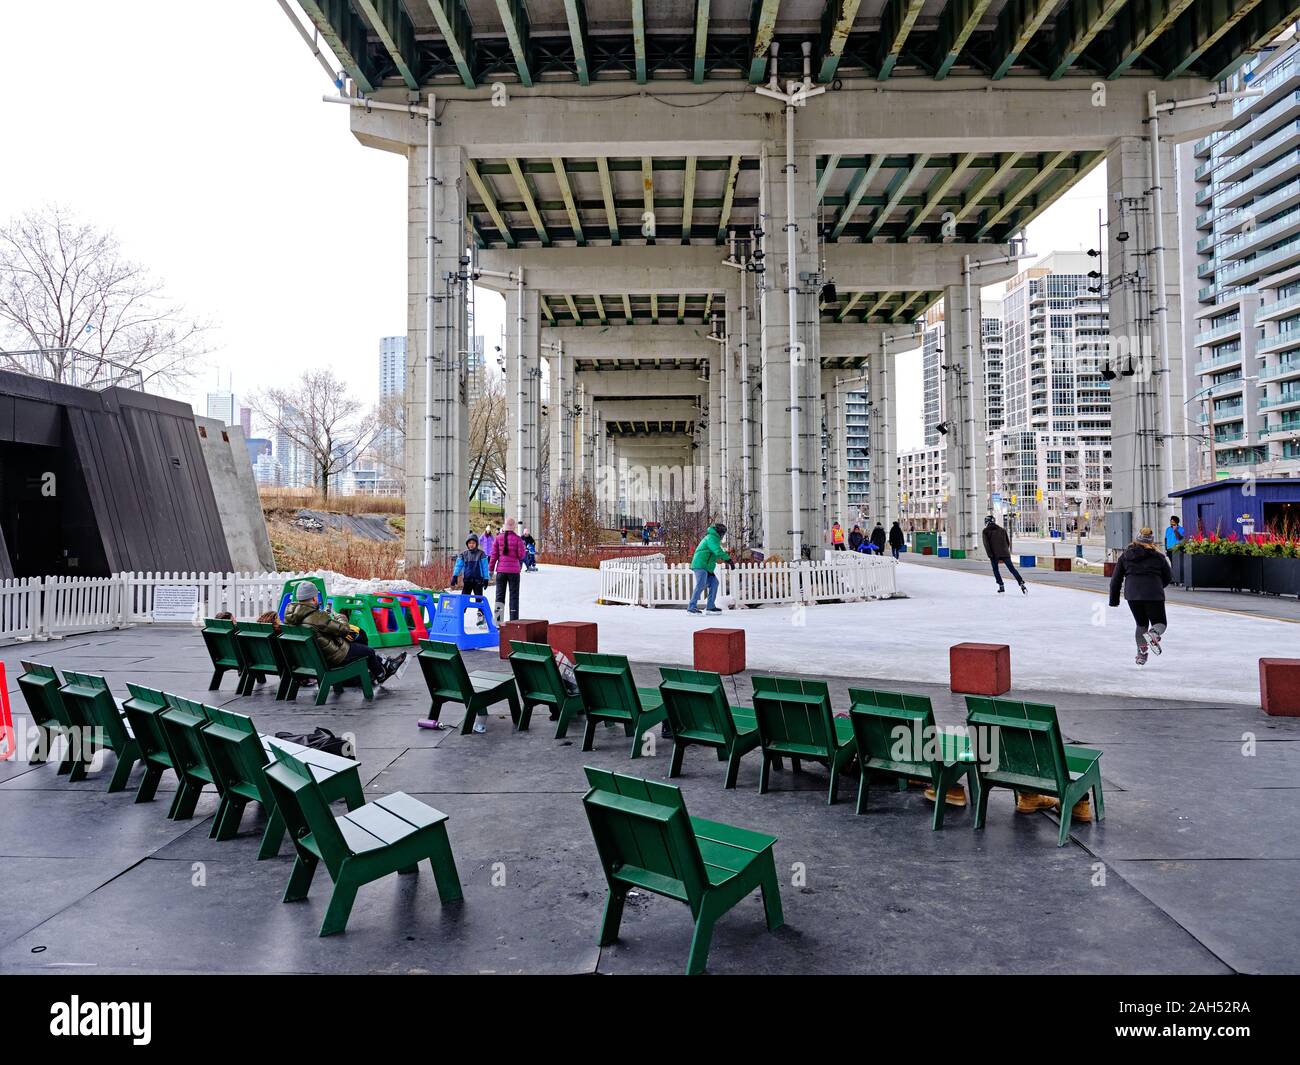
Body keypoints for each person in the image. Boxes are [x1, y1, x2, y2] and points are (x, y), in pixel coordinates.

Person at [283, 582, 405, 686]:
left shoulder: (290, 617)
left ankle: (384, 664)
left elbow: (318, 627)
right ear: (314, 598)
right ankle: (380, 674)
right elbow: (343, 629)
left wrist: (324, 617)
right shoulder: (316, 617)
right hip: (333, 657)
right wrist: (339, 616)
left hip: (315, 659)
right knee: (368, 651)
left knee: (357, 644)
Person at [1109, 526, 1172, 667]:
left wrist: (1114, 600)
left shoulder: (1125, 556)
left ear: (1137, 539)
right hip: (1153, 594)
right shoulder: (1159, 557)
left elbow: (1115, 580)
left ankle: (1141, 654)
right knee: (1160, 623)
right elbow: (1168, 577)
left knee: (1141, 623)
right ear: (1152, 541)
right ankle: (1154, 634)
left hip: (1133, 595)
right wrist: (1157, 587)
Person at [687, 522, 732, 615]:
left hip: (706, 567)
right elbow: (717, 551)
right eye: (723, 533)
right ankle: (691, 608)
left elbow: (712, 556)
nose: (723, 535)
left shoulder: (714, 538)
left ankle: (710, 607)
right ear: (719, 532)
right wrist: (728, 560)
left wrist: (711, 570)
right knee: (701, 584)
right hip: (700, 565)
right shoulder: (711, 538)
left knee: (714, 583)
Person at [490, 516, 527, 623]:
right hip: (514, 572)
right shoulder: (518, 539)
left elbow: (493, 556)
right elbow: (521, 555)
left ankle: (498, 621)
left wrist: (491, 569)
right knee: (514, 596)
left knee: (499, 596)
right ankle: (514, 621)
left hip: (501, 572)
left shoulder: (498, 538)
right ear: (514, 527)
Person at [981, 515, 1027, 595]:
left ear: (987, 522)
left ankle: (1001, 585)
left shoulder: (985, 531)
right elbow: (1007, 542)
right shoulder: (1002, 530)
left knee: (996, 570)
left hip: (994, 555)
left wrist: (990, 555)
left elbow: (986, 545)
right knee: (1012, 569)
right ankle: (1021, 582)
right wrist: (1005, 552)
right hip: (1005, 553)